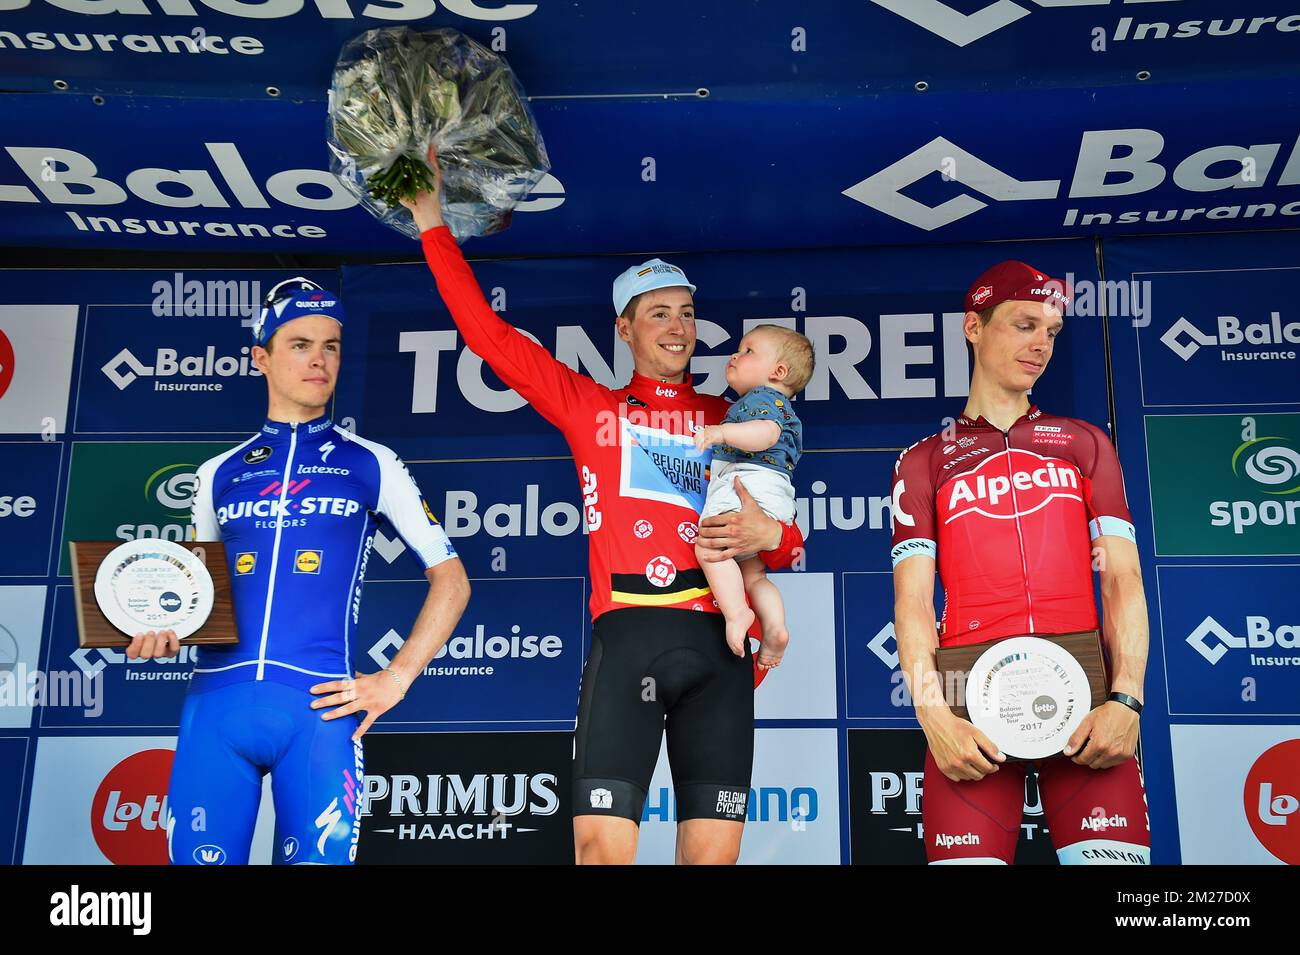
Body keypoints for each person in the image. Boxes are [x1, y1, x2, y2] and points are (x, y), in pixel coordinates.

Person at [402, 158, 804, 866]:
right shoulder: (591, 407)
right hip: (628, 638)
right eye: (659, 313)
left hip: (719, 646)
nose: (678, 328)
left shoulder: (735, 415)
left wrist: (775, 534)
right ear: (625, 328)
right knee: (599, 853)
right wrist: (433, 221)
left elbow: (786, 538)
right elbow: (488, 336)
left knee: (712, 860)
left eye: (686, 312)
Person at [127, 277, 471, 865]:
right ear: (261, 357)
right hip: (216, 706)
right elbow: (193, 597)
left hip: (317, 713)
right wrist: (160, 631)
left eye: (331, 346)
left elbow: (453, 580)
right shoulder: (217, 473)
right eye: (300, 344)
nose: (319, 359)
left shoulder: (372, 463)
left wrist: (395, 679)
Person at [891, 260, 1151, 865]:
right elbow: (911, 602)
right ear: (973, 328)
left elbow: (1122, 578)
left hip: (1088, 702)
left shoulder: (1085, 443)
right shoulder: (924, 460)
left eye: (1052, 333)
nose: (1040, 344)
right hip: (967, 709)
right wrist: (933, 715)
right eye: (1024, 324)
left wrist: (1127, 700)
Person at [693, 324, 813, 669]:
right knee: (754, 575)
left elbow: (765, 433)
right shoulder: (774, 403)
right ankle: (775, 627)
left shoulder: (760, 399)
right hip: (773, 498)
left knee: (710, 548)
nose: (735, 354)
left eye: (748, 351)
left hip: (748, 485)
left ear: (778, 372)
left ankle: (736, 613)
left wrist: (720, 432)